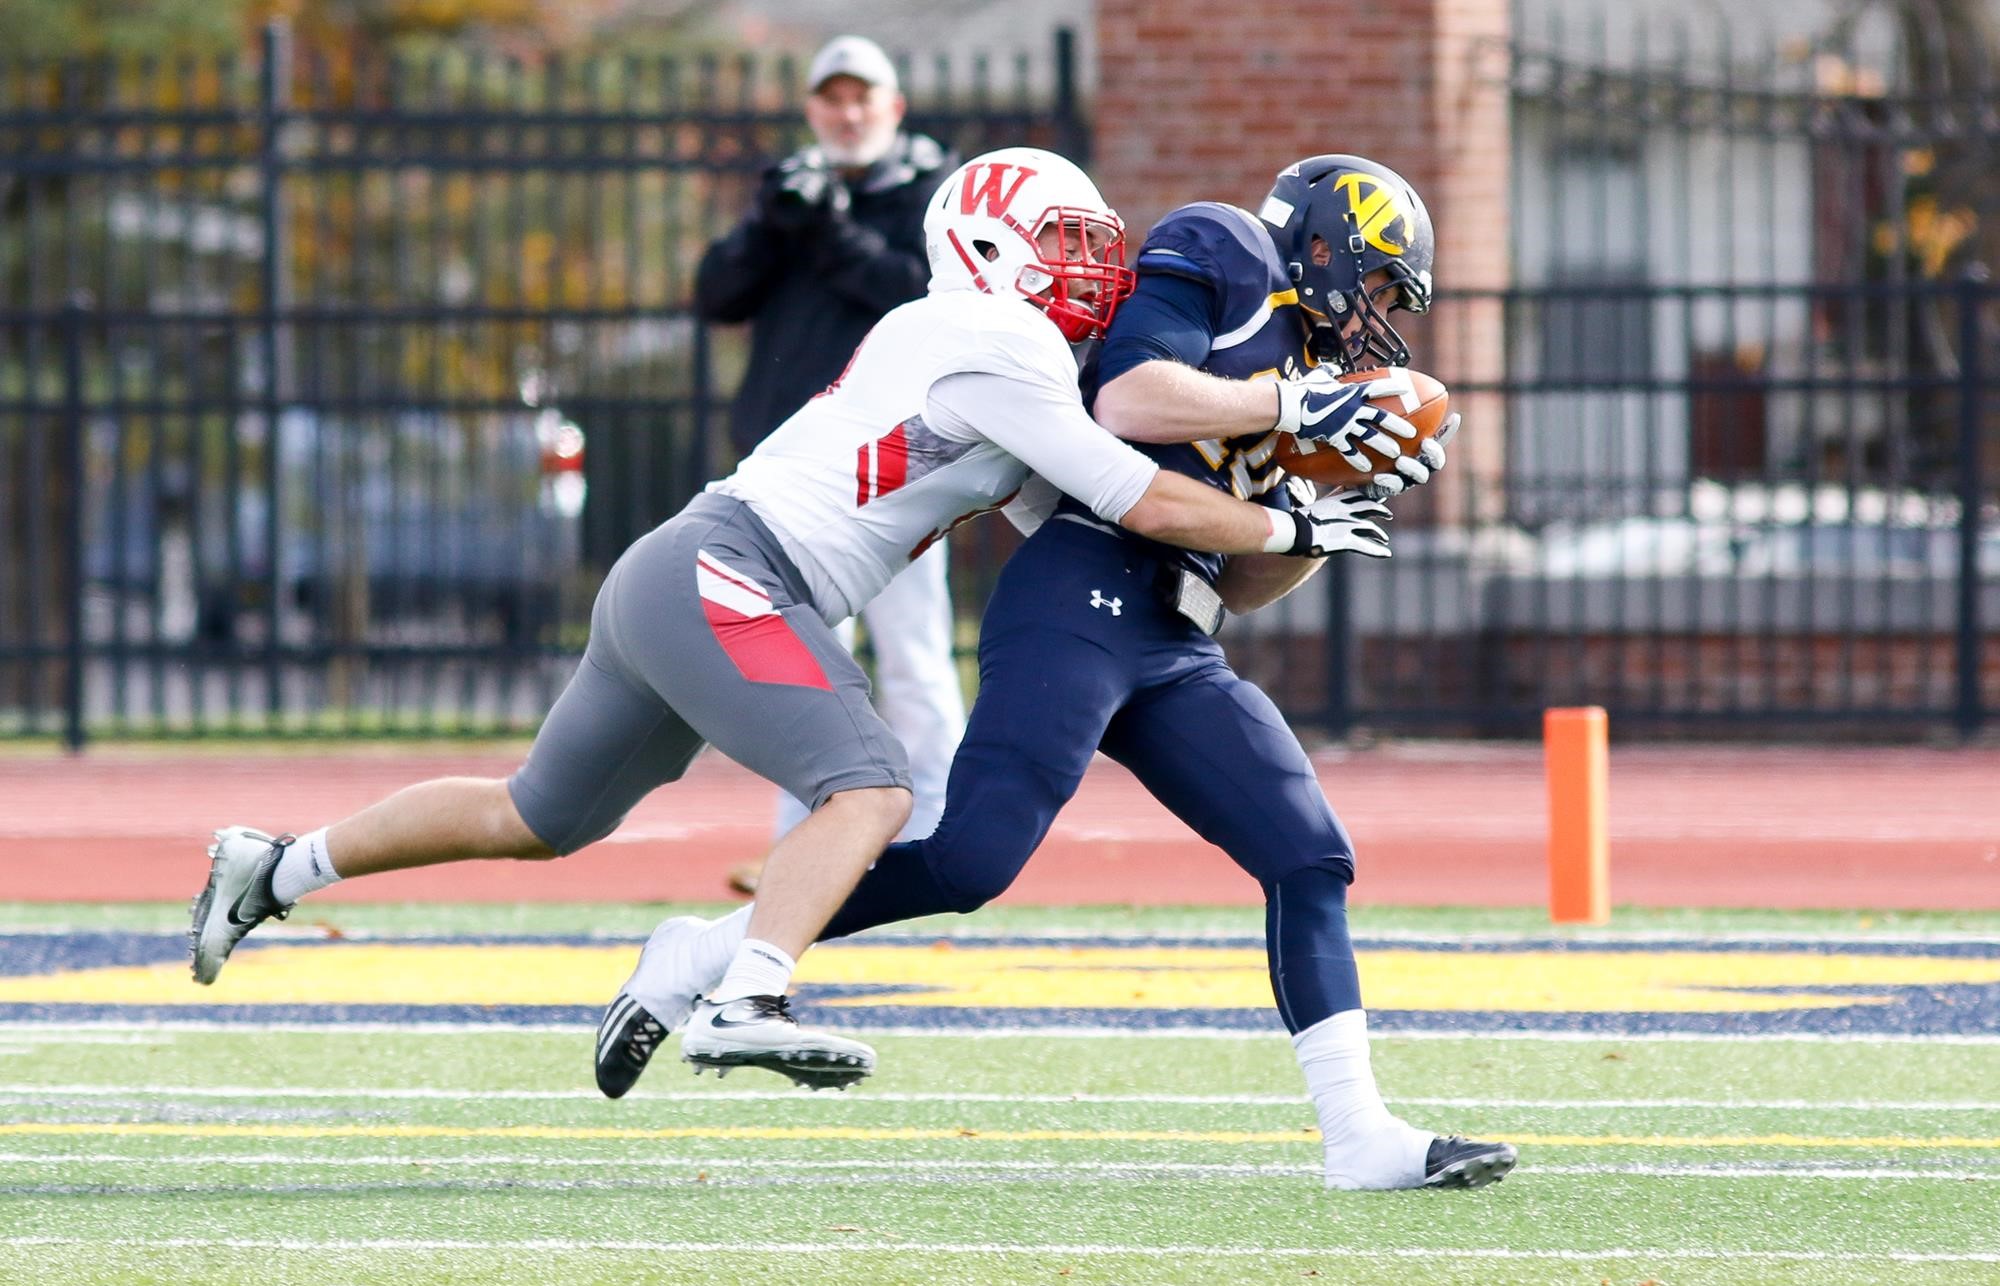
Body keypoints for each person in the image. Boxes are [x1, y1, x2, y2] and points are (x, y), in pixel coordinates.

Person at [189, 147, 1405, 1094]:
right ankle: (743, 995)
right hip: (731, 569)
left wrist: (1288, 509)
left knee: (535, 815)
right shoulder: (990, 334)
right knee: (869, 784)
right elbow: (1131, 490)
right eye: (1070, 243)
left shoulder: (1003, 361)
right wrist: (1292, 481)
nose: (1097, 269)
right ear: (992, 244)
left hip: (685, 573)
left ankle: (278, 865)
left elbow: (1111, 519)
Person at [596, 155, 1517, 1191]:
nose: (1380, 312)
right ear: (1323, 244)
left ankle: (1358, 1135)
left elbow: (1249, 579)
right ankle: (704, 955)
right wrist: (1294, 409)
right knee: (970, 861)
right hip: (1076, 589)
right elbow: (1128, 399)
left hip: (1175, 631)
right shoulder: (1225, 249)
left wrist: (1330, 510)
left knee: (1308, 854)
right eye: (1381, 282)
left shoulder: (1304, 368)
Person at [696, 36, 964, 892]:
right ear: (813, 109)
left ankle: (940, 838)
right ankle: (804, 844)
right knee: (806, 663)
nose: (848, 116)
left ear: (894, 107)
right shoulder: (794, 193)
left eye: (863, 99)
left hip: (902, 461)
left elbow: (917, 295)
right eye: (832, 100)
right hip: (793, 470)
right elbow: (716, 295)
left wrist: (831, 230)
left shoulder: (929, 194)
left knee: (913, 654)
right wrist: (773, 223)